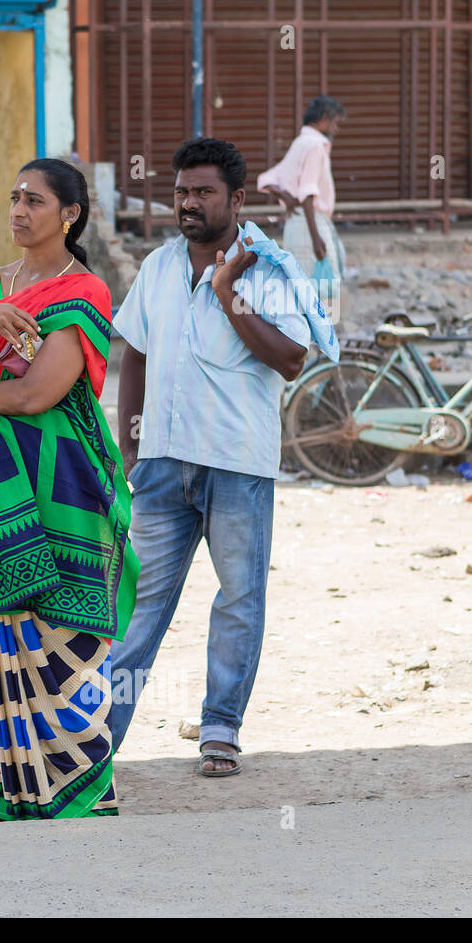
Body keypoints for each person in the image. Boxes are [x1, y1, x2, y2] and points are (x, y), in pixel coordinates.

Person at [0, 159, 139, 821]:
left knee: (61, 624)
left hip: (62, 485)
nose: (19, 209)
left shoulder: (85, 291)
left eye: (35, 201)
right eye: (14, 197)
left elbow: (37, 393)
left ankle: (76, 780)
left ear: (69, 215)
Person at [112, 137, 331, 777]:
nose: (188, 202)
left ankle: (220, 729)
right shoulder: (156, 267)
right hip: (161, 465)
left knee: (239, 597)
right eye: (181, 190)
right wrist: (130, 441)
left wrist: (229, 289)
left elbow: (292, 359)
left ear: (236, 199)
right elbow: (136, 350)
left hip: (237, 464)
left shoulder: (271, 269)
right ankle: (102, 736)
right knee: (138, 604)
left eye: (204, 191)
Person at [257, 96, 347, 322]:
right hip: (311, 224)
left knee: (302, 287)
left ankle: (306, 344)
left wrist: (284, 195)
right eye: (335, 122)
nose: (336, 128)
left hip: (296, 225)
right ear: (324, 119)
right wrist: (316, 238)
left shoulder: (300, 143)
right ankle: (322, 345)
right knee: (323, 289)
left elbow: (267, 180)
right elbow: (307, 193)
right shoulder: (315, 146)